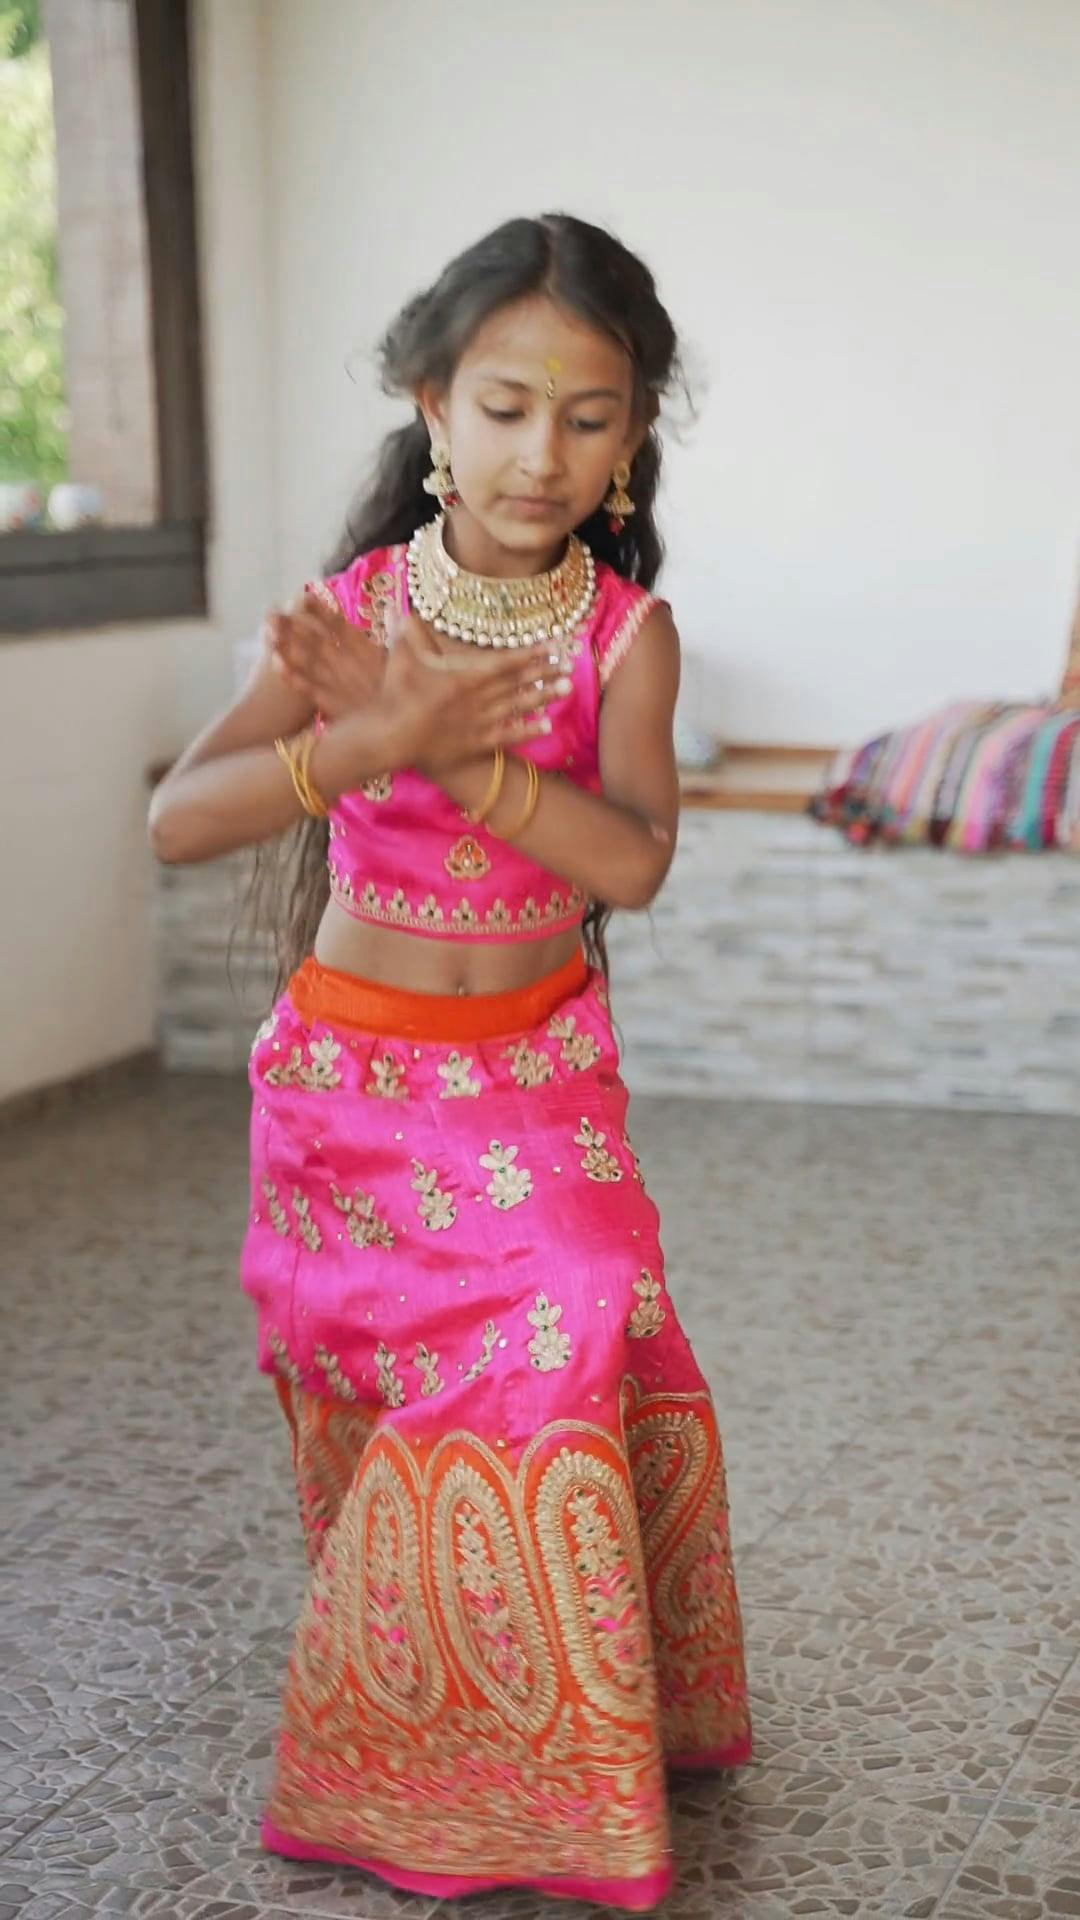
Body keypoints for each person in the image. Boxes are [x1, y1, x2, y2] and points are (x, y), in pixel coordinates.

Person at [149, 212, 751, 1912]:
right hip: (354, 1095)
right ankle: (430, 1754)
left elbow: (630, 861)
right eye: (503, 405)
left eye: (589, 414)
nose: (541, 452)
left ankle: (560, 1767)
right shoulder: (348, 614)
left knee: (573, 1312)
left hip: (537, 1082)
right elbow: (179, 816)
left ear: (634, 438)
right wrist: (370, 738)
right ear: (431, 405)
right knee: (402, 1404)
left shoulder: (629, 638)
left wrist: (467, 768)